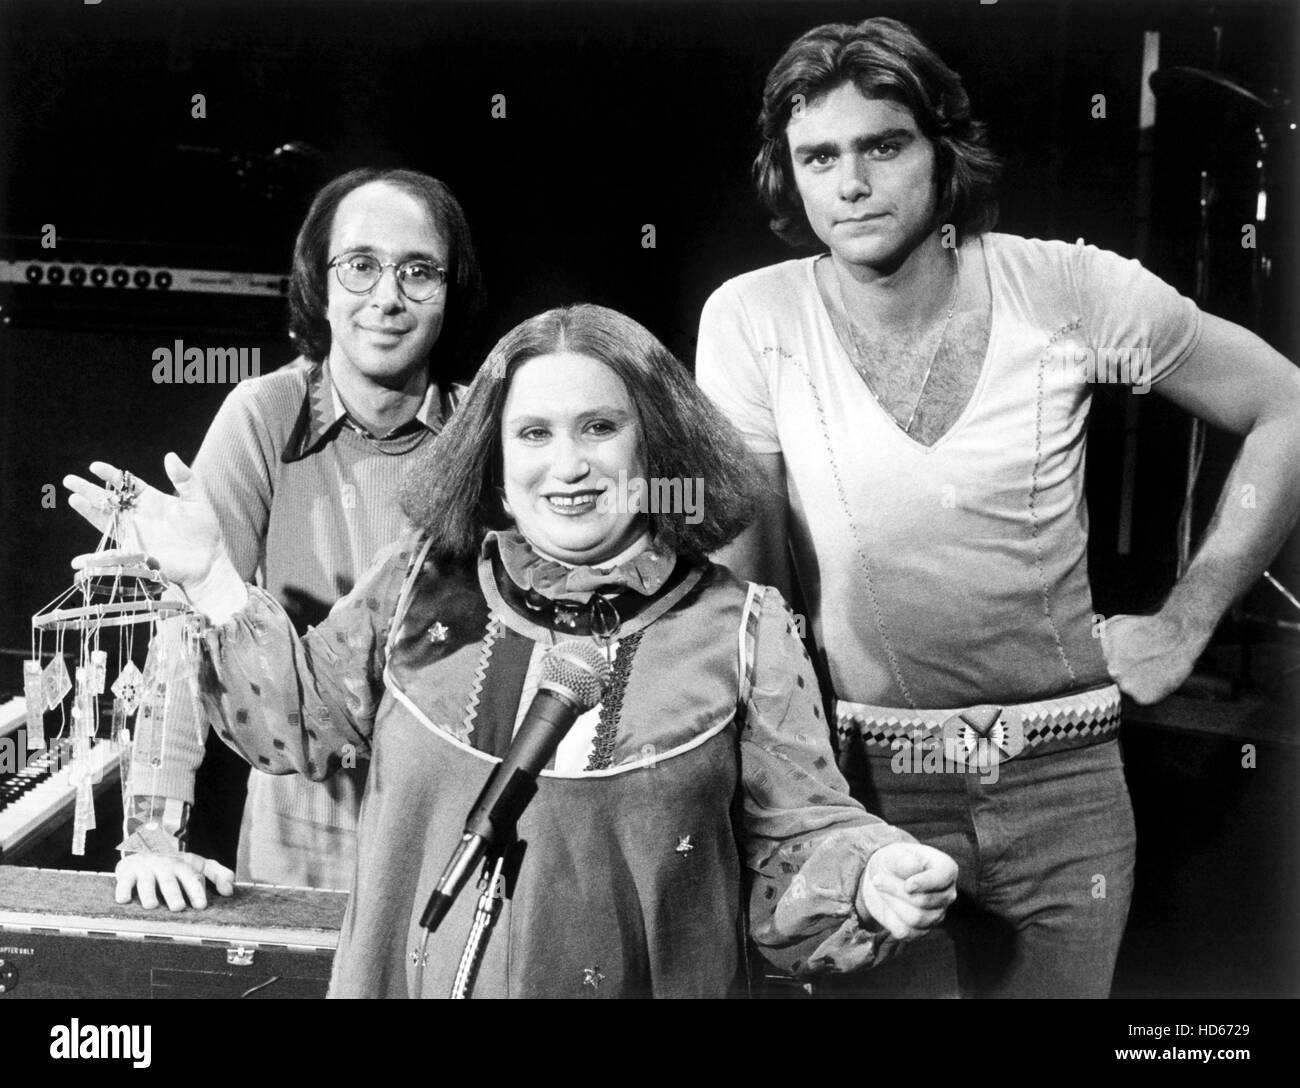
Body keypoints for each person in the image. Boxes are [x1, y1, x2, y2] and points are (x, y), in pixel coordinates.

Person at [64, 303, 958, 998]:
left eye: (600, 429)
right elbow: (296, 731)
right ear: (493, 461)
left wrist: (868, 877)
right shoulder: (418, 582)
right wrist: (216, 583)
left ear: (658, 443)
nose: (566, 464)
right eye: (533, 434)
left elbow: (798, 844)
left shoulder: (744, 628)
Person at [695, 17, 1300, 997]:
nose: (849, 183)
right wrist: (790, 793)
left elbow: (1284, 406)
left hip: (1063, 781)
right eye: (817, 156)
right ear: (788, 174)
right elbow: (747, 594)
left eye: (881, 145)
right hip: (862, 788)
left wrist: (1187, 619)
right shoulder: (752, 318)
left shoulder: (1064, 287)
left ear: (942, 150)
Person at [114, 168, 486, 907]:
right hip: (302, 839)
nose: (388, 296)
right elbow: (182, 625)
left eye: (419, 272)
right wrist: (153, 833)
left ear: (451, 289)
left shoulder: (488, 429)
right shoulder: (263, 413)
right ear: (319, 281)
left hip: (462, 837)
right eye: (361, 266)